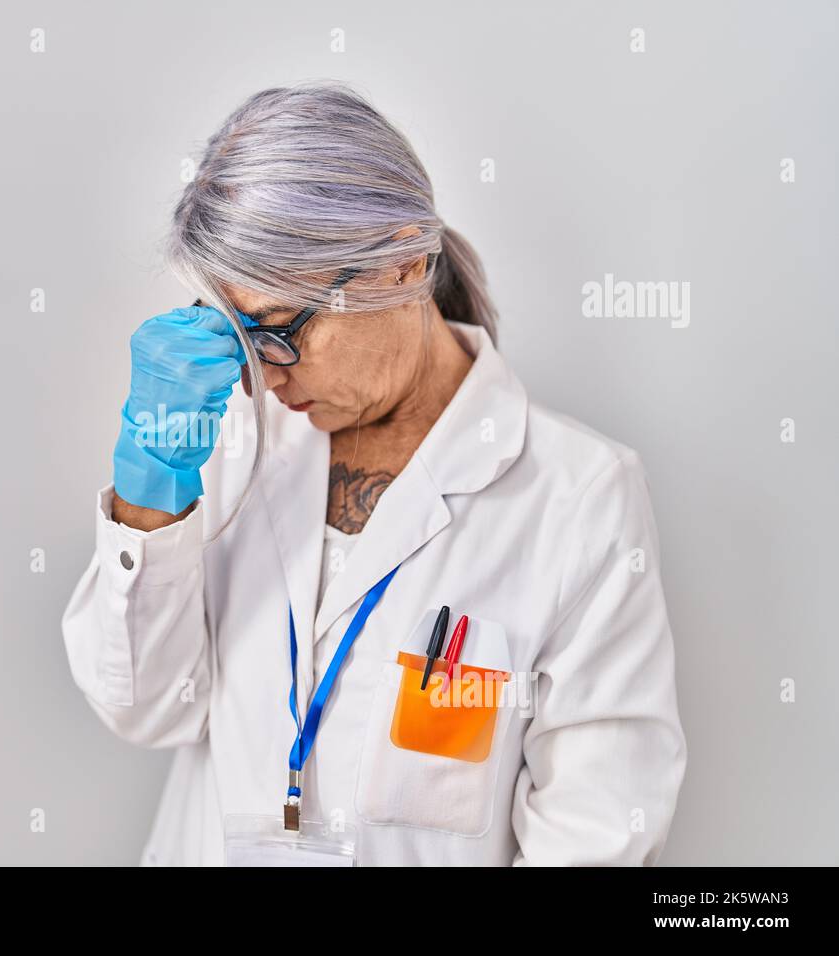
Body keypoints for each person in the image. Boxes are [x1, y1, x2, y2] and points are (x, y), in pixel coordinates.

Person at [61, 82, 686, 866]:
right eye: (237, 336)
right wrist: (152, 487)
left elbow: (597, 832)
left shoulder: (578, 499)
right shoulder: (226, 441)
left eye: (281, 330)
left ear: (399, 263)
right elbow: (142, 709)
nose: (265, 377)